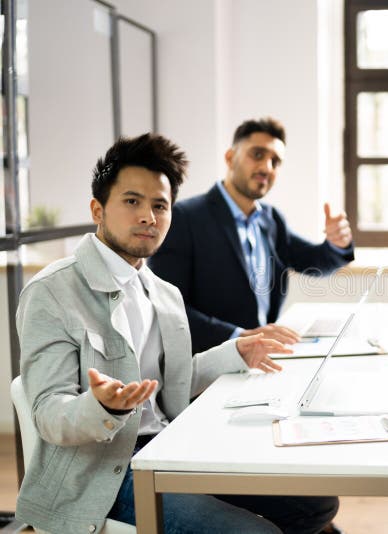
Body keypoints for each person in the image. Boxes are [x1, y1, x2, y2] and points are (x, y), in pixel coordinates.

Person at [15, 133, 339, 534]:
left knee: (316, 504)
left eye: (159, 205)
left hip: (168, 445)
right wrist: (101, 407)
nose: (148, 217)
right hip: (105, 472)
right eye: (132, 201)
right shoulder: (52, 292)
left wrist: (236, 352)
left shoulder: (163, 293)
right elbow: (48, 414)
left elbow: (171, 382)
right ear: (98, 209)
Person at [149, 117, 354, 354]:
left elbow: (314, 261)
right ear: (230, 158)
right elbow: (168, 310)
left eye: (275, 161)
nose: (267, 167)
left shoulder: (271, 219)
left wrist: (338, 244)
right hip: (210, 362)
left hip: (262, 358)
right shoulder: (184, 218)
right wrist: (239, 337)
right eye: (257, 154)